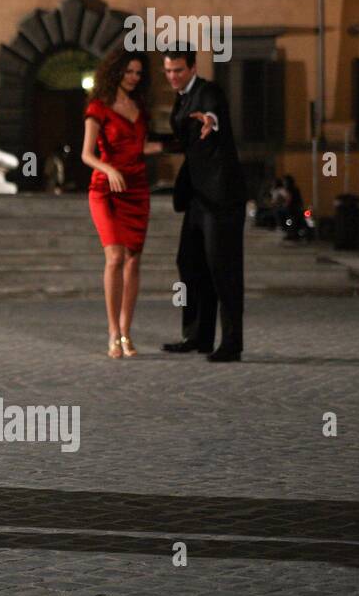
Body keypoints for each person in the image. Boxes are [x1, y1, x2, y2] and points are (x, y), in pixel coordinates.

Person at [160, 48, 246, 363]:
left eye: (178, 70)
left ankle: (232, 343)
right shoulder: (181, 97)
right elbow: (185, 139)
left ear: (193, 67)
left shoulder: (208, 91)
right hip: (198, 195)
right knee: (190, 261)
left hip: (222, 196)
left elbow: (213, 112)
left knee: (224, 268)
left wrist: (210, 120)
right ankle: (198, 335)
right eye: (168, 71)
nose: (172, 77)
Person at [81, 49, 162, 359]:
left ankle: (127, 332)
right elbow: (86, 154)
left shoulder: (140, 107)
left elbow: (141, 146)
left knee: (133, 260)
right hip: (106, 190)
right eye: (129, 71)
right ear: (115, 71)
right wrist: (109, 168)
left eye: (138, 73)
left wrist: (188, 141)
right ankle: (113, 331)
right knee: (114, 256)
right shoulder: (98, 108)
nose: (134, 77)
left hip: (137, 190)